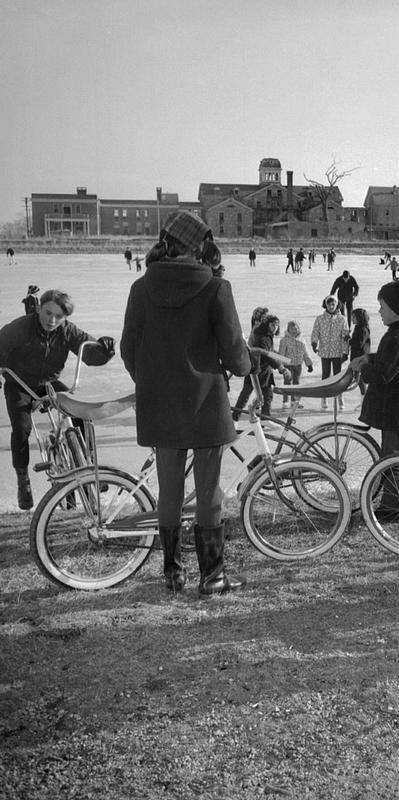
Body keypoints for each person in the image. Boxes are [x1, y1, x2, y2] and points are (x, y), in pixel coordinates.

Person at [120, 211, 251, 595]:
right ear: (201, 245)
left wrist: (152, 383)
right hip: (207, 404)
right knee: (209, 492)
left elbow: (129, 349)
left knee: (170, 491)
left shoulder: (141, 288)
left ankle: (172, 574)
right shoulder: (215, 288)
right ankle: (213, 577)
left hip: (160, 404)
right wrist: (245, 364)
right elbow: (235, 354)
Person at [0, 289, 116, 509]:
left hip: (49, 384)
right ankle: (22, 480)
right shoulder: (21, 327)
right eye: (47, 313)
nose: (52, 320)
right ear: (39, 308)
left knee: (82, 415)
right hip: (19, 383)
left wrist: (105, 350)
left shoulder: (67, 330)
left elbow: (89, 352)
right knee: (21, 428)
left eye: (59, 316)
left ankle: (89, 466)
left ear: (65, 318)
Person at [350, 280, 399, 520]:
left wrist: (365, 370)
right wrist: (368, 358)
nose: (379, 311)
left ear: (397, 309)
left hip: (395, 408)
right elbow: (387, 359)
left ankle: (391, 508)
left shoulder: (398, 337)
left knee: (391, 460)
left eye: (383, 306)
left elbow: (383, 374)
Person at [232, 314, 288, 419]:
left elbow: (269, 351)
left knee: (246, 395)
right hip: (260, 371)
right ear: (267, 324)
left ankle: (235, 417)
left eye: (277, 325)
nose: (275, 327)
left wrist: (283, 359)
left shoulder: (265, 335)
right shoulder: (264, 337)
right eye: (273, 325)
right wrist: (281, 367)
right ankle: (264, 418)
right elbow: (266, 355)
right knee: (266, 395)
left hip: (254, 369)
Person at [311, 295, 350, 410]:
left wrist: (345, 352)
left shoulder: (342, 319)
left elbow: (345, 336)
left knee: (338, 376)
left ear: (337, 304)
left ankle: (339, 397)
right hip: (325, 352)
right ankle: (324, 397)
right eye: (329, 304)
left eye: (333, 304)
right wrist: (314, 343)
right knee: (326, 375)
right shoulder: (320, 318)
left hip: (337, 352)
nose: (331, 306)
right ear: (326, 304)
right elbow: (315, 332)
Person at [277, 320, 314, 409]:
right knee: (287, 383)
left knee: (296, 383)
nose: (294, 330)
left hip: (298, 365)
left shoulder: (301, 340)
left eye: (296, 329)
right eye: (292, 329)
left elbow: (305, 353)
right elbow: (281, 354)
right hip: (287, 366)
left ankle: (294, 401)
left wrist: (309, 364)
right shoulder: (284, 340)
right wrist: (280, 366)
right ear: (288, 330)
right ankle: (285, 401)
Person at [349, 307, 371, 403]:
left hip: (361, 358)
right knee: (358, 379)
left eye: (353, 317)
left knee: (360, 380)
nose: (352, 319)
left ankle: (365, 400)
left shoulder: (363, 329)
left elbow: (359, 344)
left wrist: (349, 340)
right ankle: (364, 400)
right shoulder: (358, 328)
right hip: (357, 357)